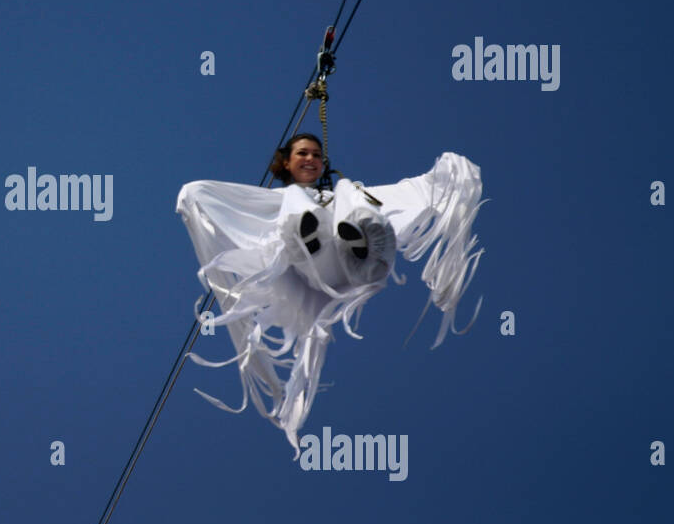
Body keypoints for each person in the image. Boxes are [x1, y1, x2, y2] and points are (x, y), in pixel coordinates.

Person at [176, 133, 485, 453]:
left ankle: (363, 236)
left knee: (349, 191)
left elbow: (412, 192)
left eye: (315, 155)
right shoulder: (273, 203)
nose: (310, 159)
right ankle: (309, 235)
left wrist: (450, 172)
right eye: (302, 153)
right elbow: (199, 193)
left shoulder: (345, 193)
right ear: (285, 162)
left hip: (357, 266)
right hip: (312, 273)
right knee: (298, 201)